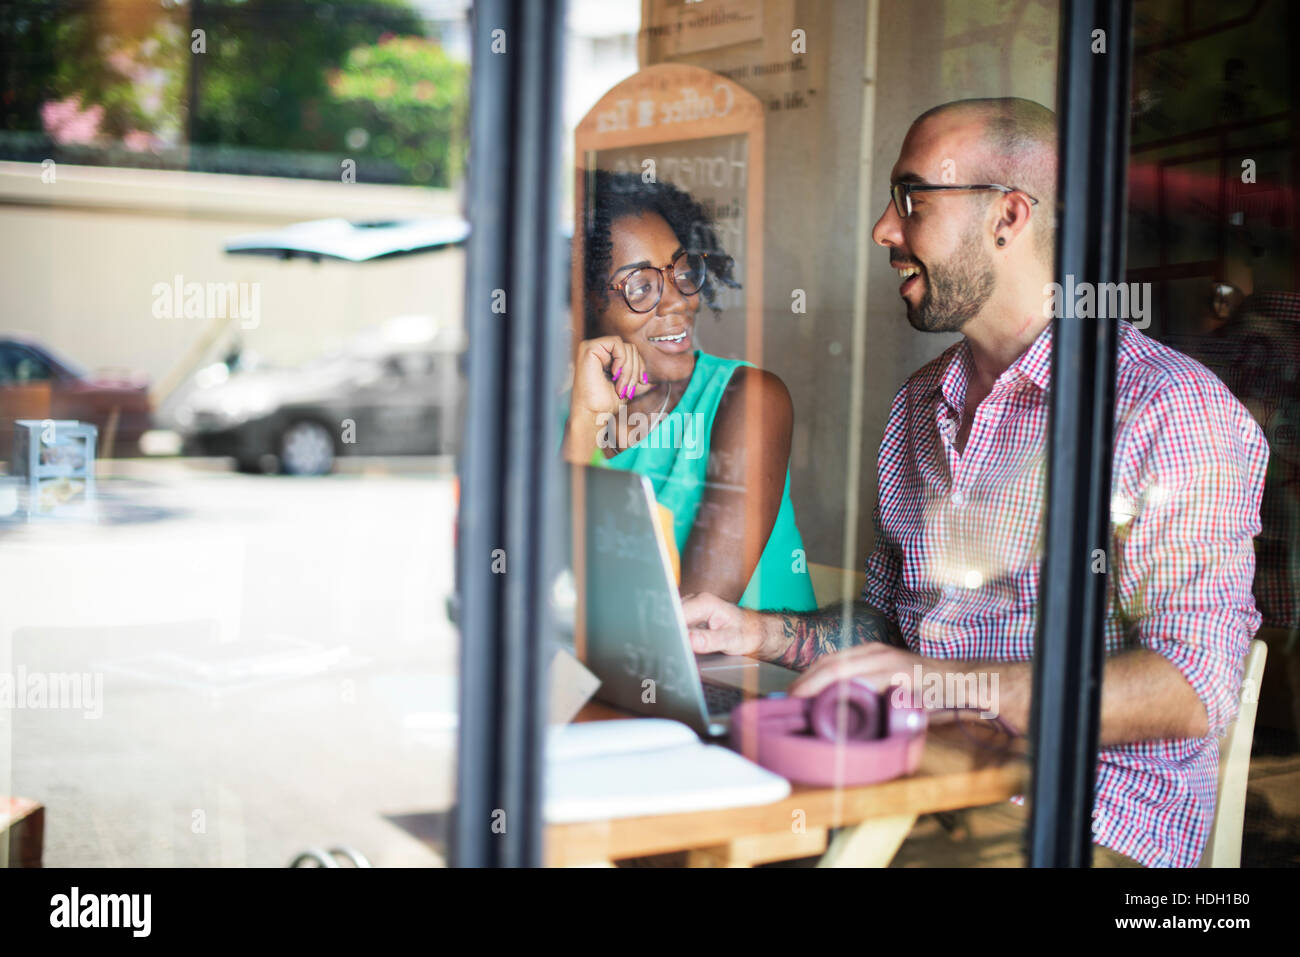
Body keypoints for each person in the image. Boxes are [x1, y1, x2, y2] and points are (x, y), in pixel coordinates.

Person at [682, 98, 1268, 867]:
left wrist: (945, 686)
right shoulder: (920, 404)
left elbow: (1192, 686)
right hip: (919, 789)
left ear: (1009, 217)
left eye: (912, 198)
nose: (884, 231)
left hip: (1088, 826)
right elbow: (894, 634)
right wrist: (756, 632)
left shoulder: (1168, 411)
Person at [564, 170, 816, 612]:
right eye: (641, 286)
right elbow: (549, 578)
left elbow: (692, 621)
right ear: (581, 305)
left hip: (748, 680)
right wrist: (585, 422)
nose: (678, 299)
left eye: (681, 271)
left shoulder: (748, 399)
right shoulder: (568, 416)